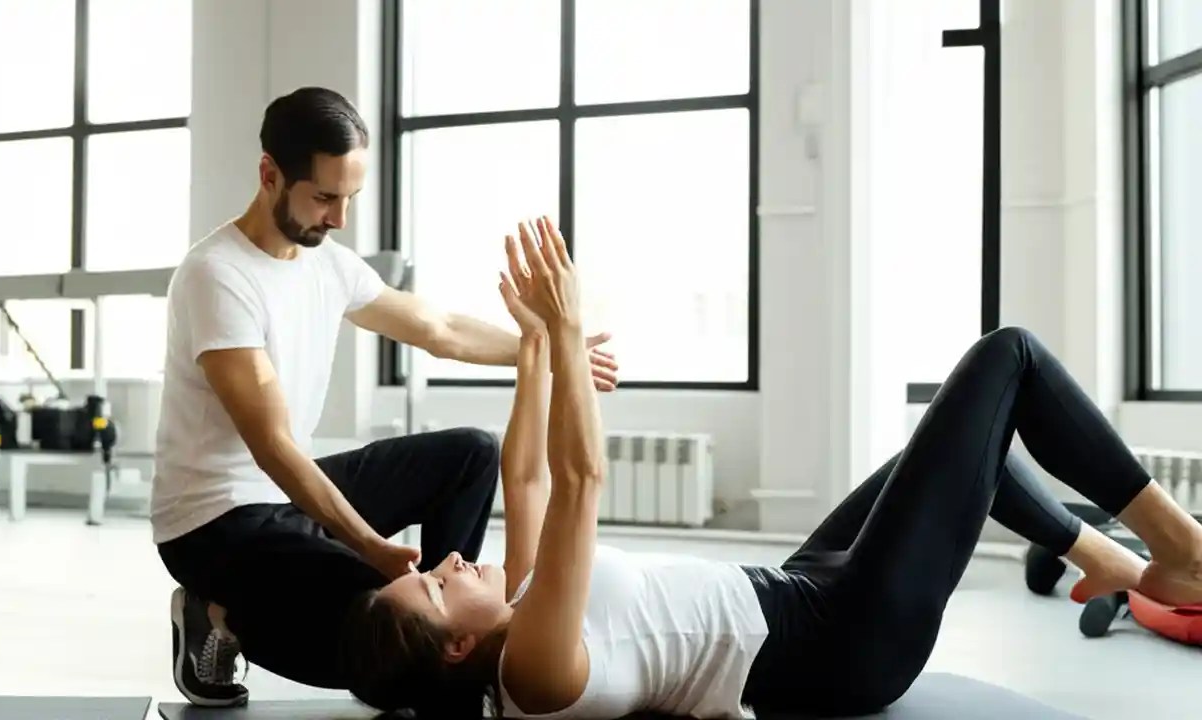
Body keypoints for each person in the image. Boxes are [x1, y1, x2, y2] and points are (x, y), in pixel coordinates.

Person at [341, 217, 1202, 719]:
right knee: (1007, 357)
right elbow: (579, 484)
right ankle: (1181, 550)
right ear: (458, 646)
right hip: (843, 642)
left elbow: (529, 477)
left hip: (796, 590)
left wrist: (535, 344)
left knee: (945, 454)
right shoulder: (535, 672)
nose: (447, 560)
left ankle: (1110, 561)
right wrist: (566, 334)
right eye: (438, 586)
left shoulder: (526, 613)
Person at [150, 87, 619, 707]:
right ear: (269, 175)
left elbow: (440, 330)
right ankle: (217, 615)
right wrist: (372, 550)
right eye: (324, 197)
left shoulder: (329, 264)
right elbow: (273, 447)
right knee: (376, 630)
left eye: (350, 197)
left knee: (470, 456)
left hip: (285, 496)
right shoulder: (218, 275)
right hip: (214, 521)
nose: (339, 218)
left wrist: (556, 350)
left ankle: (450, 633)